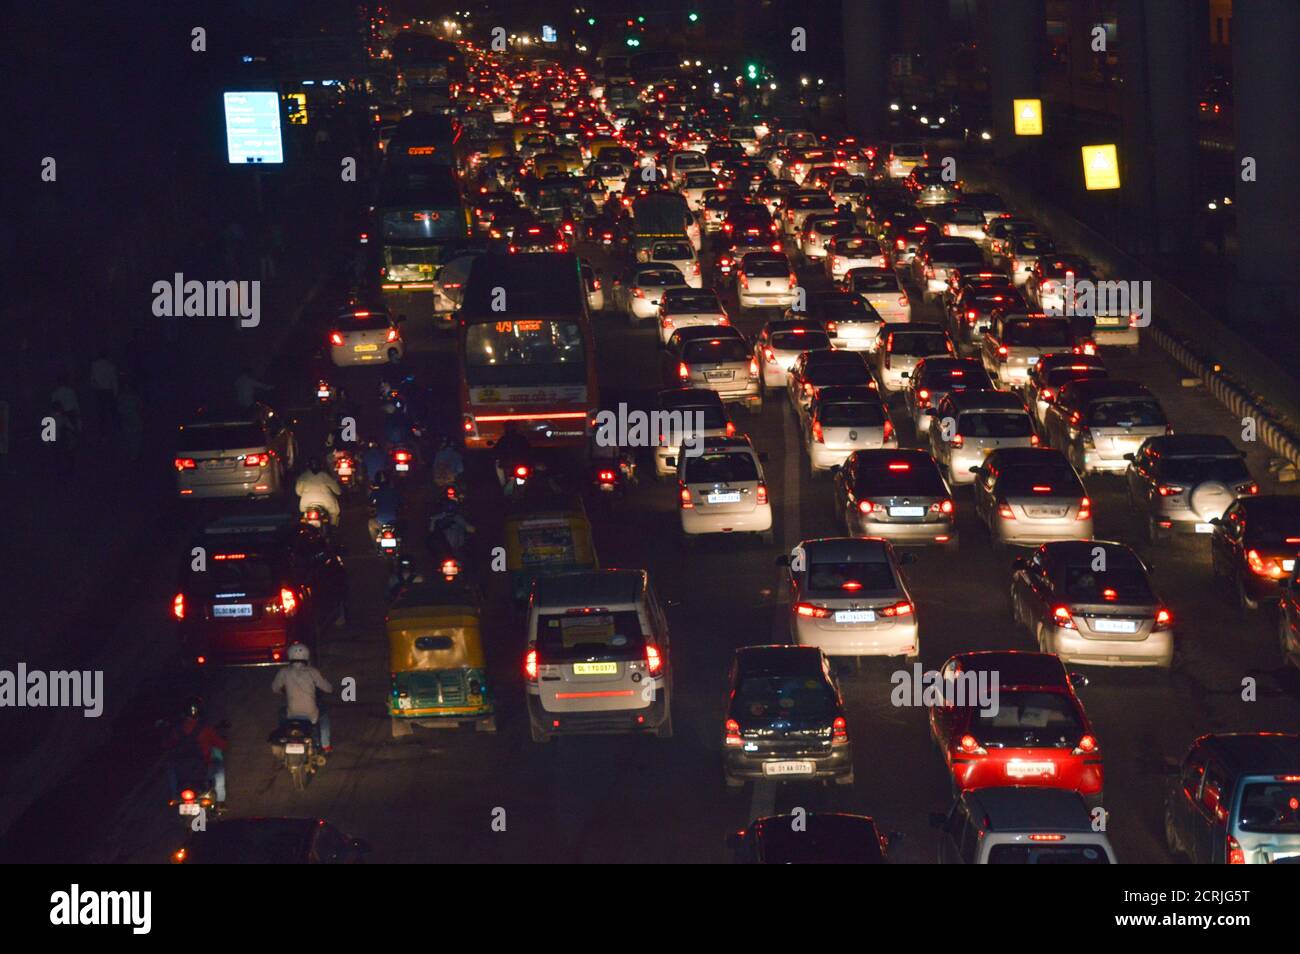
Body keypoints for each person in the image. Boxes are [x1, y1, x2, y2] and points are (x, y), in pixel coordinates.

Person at [163, 698, 229, 812]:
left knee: (170, 767)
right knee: (219, 769)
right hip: (202, 770)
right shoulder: (206, 729)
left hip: (182, 772)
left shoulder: (177, 729)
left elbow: (168, 744)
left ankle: (174, 796)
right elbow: (221, 745)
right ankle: (220, 802)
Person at [271, 643, 333, 754]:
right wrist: (330, 687)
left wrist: (283, 692)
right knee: (324, 717)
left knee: (281, 712)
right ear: (306, 656)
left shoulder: (283, 672)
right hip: (311, 713)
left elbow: (275, 688)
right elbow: (327, 688)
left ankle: (284, 735)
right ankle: (326, 746)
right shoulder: (312, 671)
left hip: (292, 713)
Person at [295, 457, 342, 526]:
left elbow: (298, 492)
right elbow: (338, 491)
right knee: (334, 513)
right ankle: (333, 528)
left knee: (303, 518)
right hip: (326, 504)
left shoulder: (303, 477)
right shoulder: (325, 476)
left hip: (306, 505)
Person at [89, 351, 119, 435]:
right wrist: (115, 394)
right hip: (109, 391)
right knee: (110, 412)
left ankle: (102, 431)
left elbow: (92, 380)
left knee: (101, 412)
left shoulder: (94, 365)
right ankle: (111, 431)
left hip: (99, 391)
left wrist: (94, 388)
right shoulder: (111, 365)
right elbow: (114, 381)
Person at [493, 421, 530, 487]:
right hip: (511, 464)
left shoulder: (504, 439)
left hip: (512, 464)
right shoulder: (521, 438)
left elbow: (496, 451)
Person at [368, 467, 401, 539]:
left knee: (371, 524)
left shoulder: (376, 492)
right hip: (394, 521)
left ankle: (376, 546)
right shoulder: (395, 491)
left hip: (380, 522)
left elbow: (370, 503)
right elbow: (401, 503)